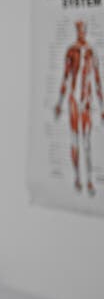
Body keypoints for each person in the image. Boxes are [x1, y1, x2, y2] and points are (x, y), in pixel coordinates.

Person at [55, 20, 104, 196]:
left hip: (86, 102)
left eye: (83, 29)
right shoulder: (72, 51)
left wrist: (101, 105)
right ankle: (77, 177)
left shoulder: (91, 53)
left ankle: (88, 179)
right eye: (79, 29)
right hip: (74, 102)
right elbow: (65, 78)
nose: (81, 32)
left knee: (87, 142)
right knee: (76, 140)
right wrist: (60, 103)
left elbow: (97, 80)